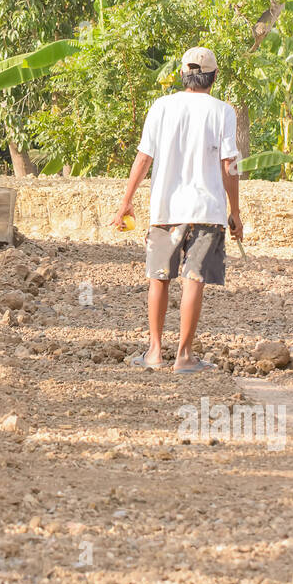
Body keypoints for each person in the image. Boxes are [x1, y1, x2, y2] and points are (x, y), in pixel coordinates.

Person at [110, 46, 243, 373]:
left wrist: (126, 201)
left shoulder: (161, 107)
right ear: (213, 76)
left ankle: (154, 352)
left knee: (159, 278)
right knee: (193, 279)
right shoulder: (223, 111)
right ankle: (184, 356)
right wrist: (235, 210)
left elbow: (143, 158)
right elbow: (230, 165)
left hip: (165, 210)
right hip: (206, 211)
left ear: (184, 74)